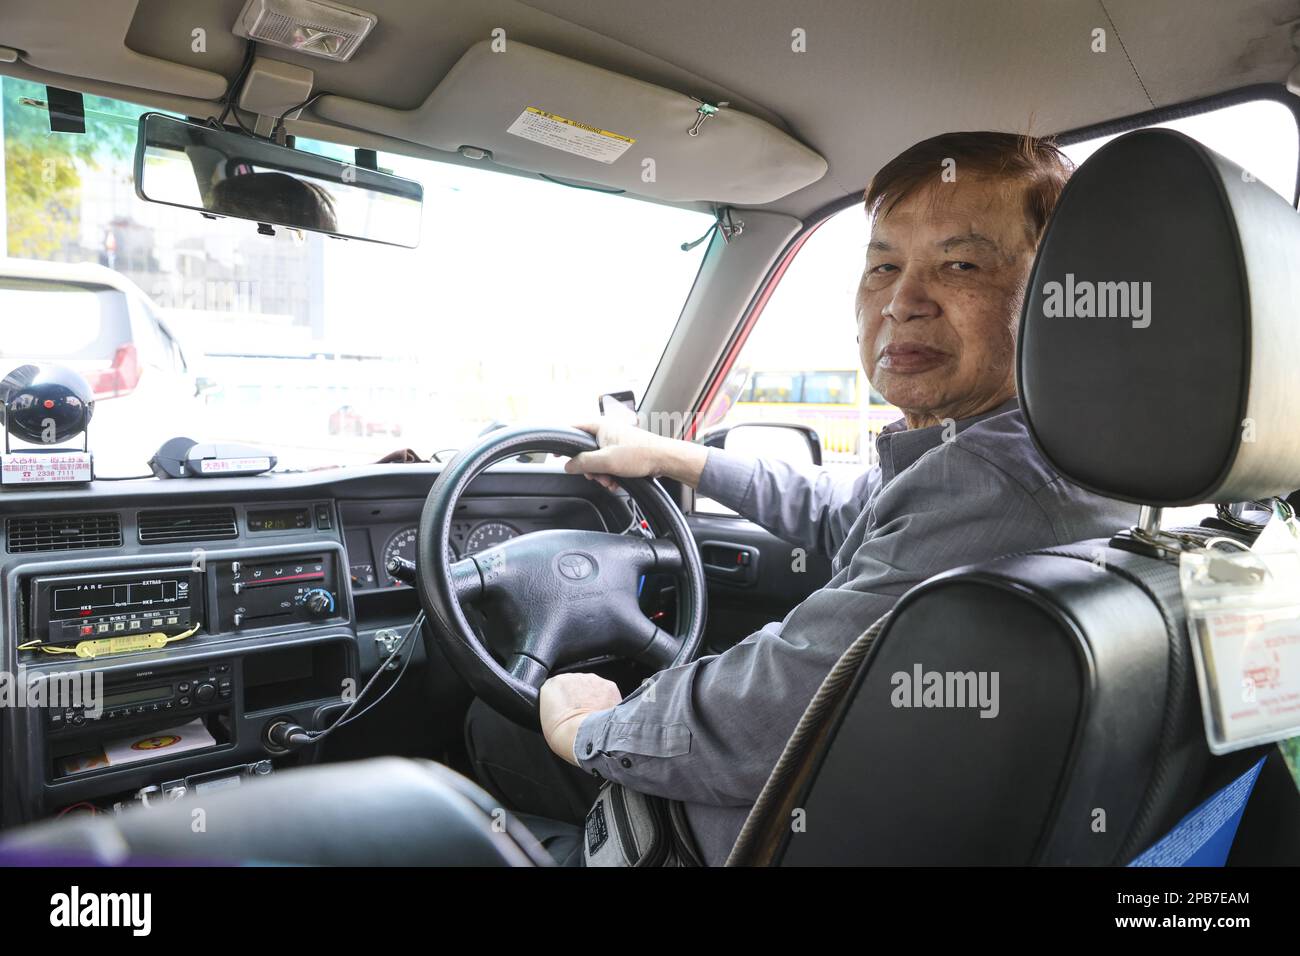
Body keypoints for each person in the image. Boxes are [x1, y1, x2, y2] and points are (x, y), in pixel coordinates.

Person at [465, 131, 1140, 866]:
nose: (903, 301)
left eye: (962, 263)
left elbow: (767, 717)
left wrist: (590, 729)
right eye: (883, 265)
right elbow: (838, 507)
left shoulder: (989, 482)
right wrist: (672, 455)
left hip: (733, 843)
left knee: (493, 731)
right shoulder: (1046, 460)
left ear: (1051, 298)